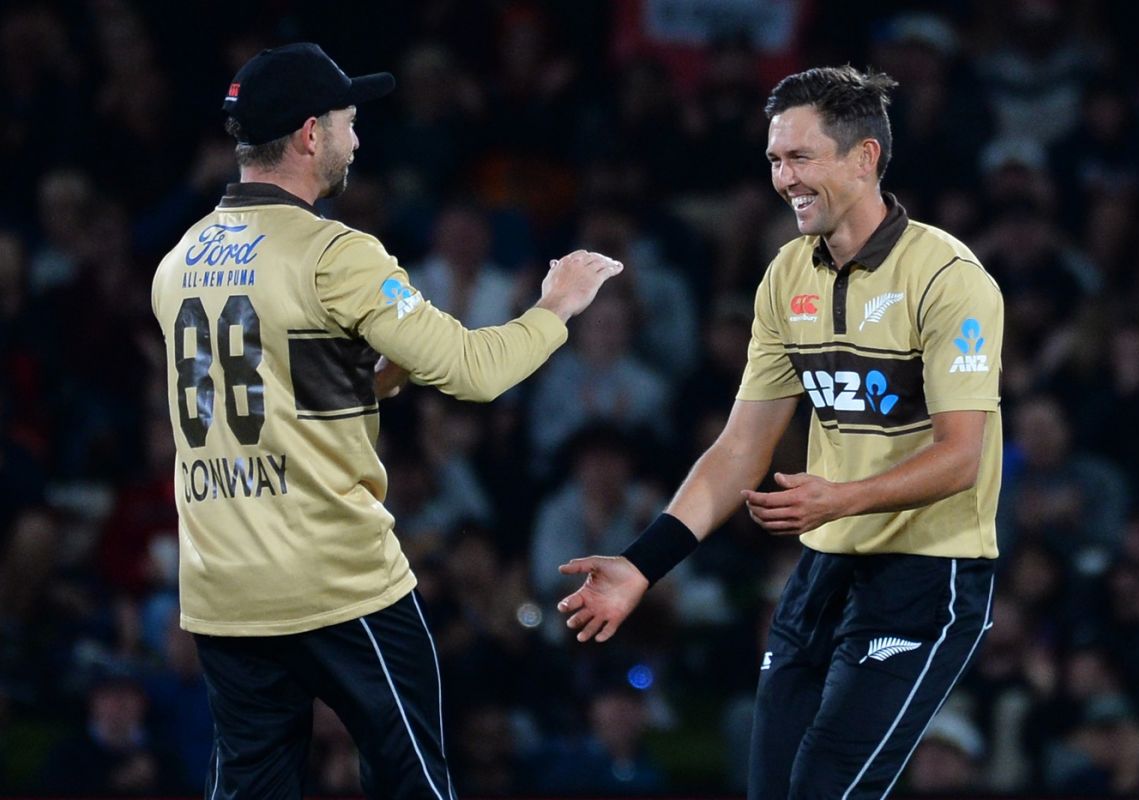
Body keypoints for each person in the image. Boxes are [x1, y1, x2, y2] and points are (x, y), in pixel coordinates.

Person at [149, 43, 622, 800]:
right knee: (413, 785)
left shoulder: (179, 259)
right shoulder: (336, 253)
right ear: (311, 134)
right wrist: (556, 305)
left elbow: (279, 394)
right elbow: (476, 371)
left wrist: (378, 380)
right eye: (347, 121)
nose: (357, 139)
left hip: (223, 587)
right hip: (335, 577)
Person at [558, 65, 1003, 800]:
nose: (783, 178)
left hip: (927, 573)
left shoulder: (948, 277)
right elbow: (740, 448)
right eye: (774, 159)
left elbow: (961, 458)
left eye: (800, 157)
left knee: (825, 786)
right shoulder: (786, 274)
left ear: (864, 158)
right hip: (824, 565)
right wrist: (643, 564)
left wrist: (840, 498)